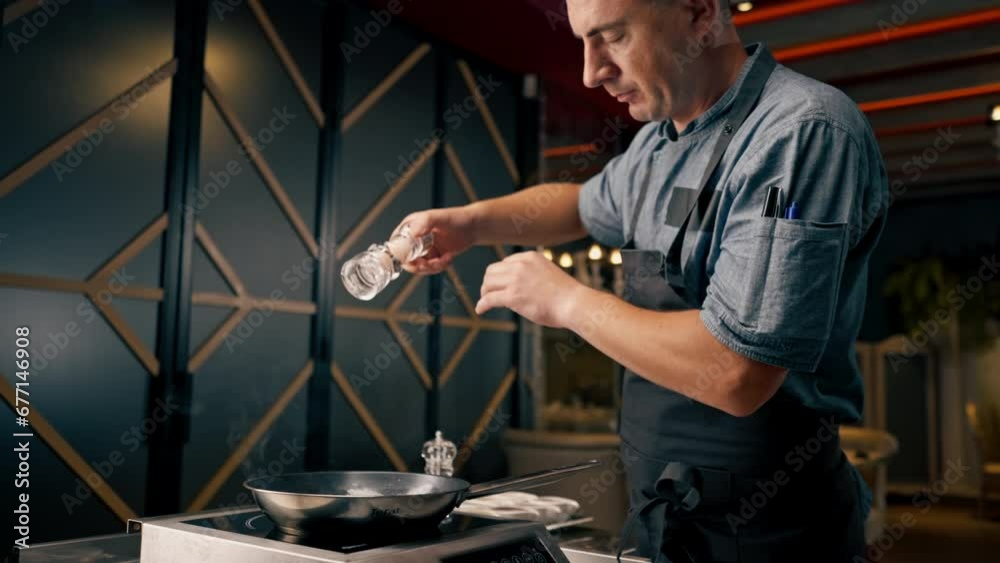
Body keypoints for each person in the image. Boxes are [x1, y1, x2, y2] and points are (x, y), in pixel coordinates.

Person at [393, 0, 888, 560]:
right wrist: (471, 223)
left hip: (774, 532)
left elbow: (736, 373)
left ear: (700, 15)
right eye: (584, 41)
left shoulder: (800, 132)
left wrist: (568, 303)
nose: (590, 71)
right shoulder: (658, 144)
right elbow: (580, 206)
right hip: (667, 520)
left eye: (613, 37)